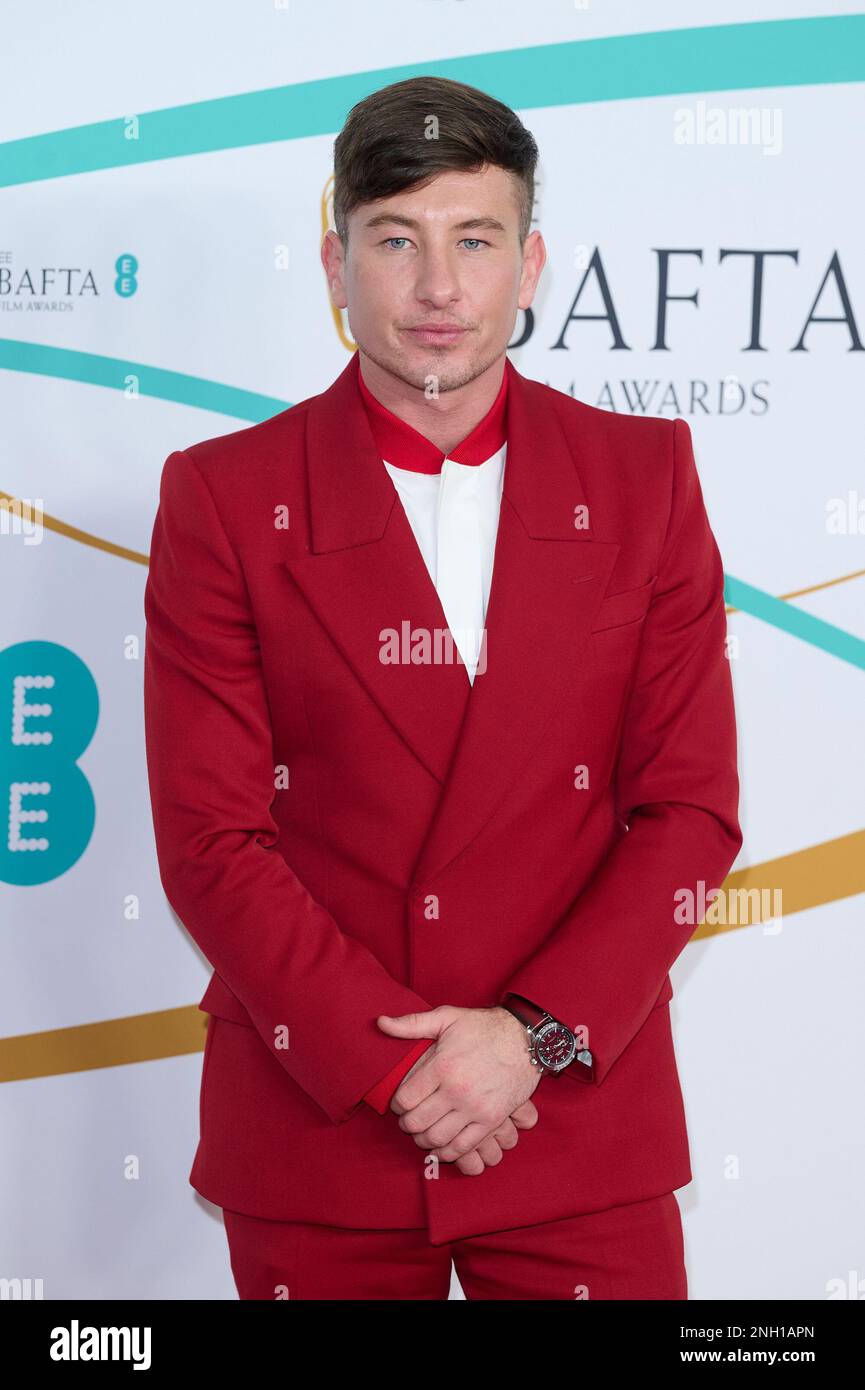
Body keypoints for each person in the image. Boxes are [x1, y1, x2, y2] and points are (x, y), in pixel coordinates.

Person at [143, 75, 742, 1300]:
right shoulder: (221, 495)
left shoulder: (645, 476)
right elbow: (211, 839)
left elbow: (689, 812)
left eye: (474, 241)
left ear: (528, 267)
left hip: (573, 1116)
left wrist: (529, 1039)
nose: (436, 289)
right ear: (334, 262)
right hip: (322, 1127)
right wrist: (403, 1068)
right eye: (395, 241)